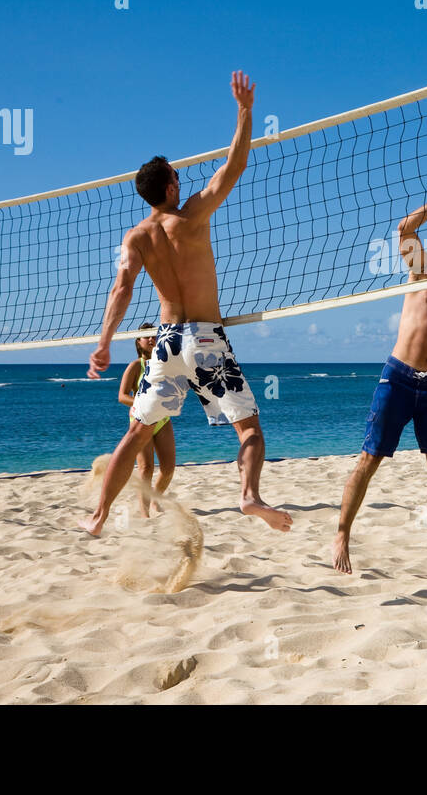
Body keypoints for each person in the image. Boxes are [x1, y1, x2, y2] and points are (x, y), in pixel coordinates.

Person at [82, 71, 291, 537]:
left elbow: (121, 290)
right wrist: (245, 110)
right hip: (205, 338)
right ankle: (249, 496)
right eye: (178, 174)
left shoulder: (135, 236)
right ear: (172, 187)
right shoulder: (192, 215)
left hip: (165, 341)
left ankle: (97, 518)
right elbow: (234, 164)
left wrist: (103, 343)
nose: (183, 176)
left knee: (136, 433)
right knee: (250, 430)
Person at [332, 183, 427, 585]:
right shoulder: (419, 275)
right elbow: (404, 228)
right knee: (369, 459)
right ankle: (343, 534)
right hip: (397, 378)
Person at [118, 323, 177, 518]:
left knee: (168, 468)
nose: (151, 339)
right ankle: (144, 513)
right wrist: (144, 402)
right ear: (138, 341)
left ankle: (154, 500)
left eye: (154, 336)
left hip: (162, 418)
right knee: (146, 468)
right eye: (146, 337)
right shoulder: (136, 366)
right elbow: (122, 396)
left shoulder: (163, 363)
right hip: (141, 419)